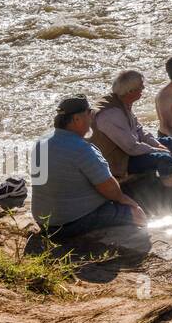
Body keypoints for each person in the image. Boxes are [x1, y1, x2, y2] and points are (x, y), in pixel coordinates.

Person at [31, 96, 147, 238]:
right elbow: (110, 189)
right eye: (89, 113)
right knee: (136, 213)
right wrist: (129, 202)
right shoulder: (82, 149)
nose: (92, 119)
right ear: (76, 119)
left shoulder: (41, 141)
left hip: (44, 221)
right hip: (69, 223)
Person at [90, 70, 172, 189]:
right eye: (141, 86)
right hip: (119, 161)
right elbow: (131, 148)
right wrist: (157, 150)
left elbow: (139, 130)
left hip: (130, 151)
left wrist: (158, 145)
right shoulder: (110, 114)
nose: (143, 87)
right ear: (130, 91)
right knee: (164, 159)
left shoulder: (122, 102)